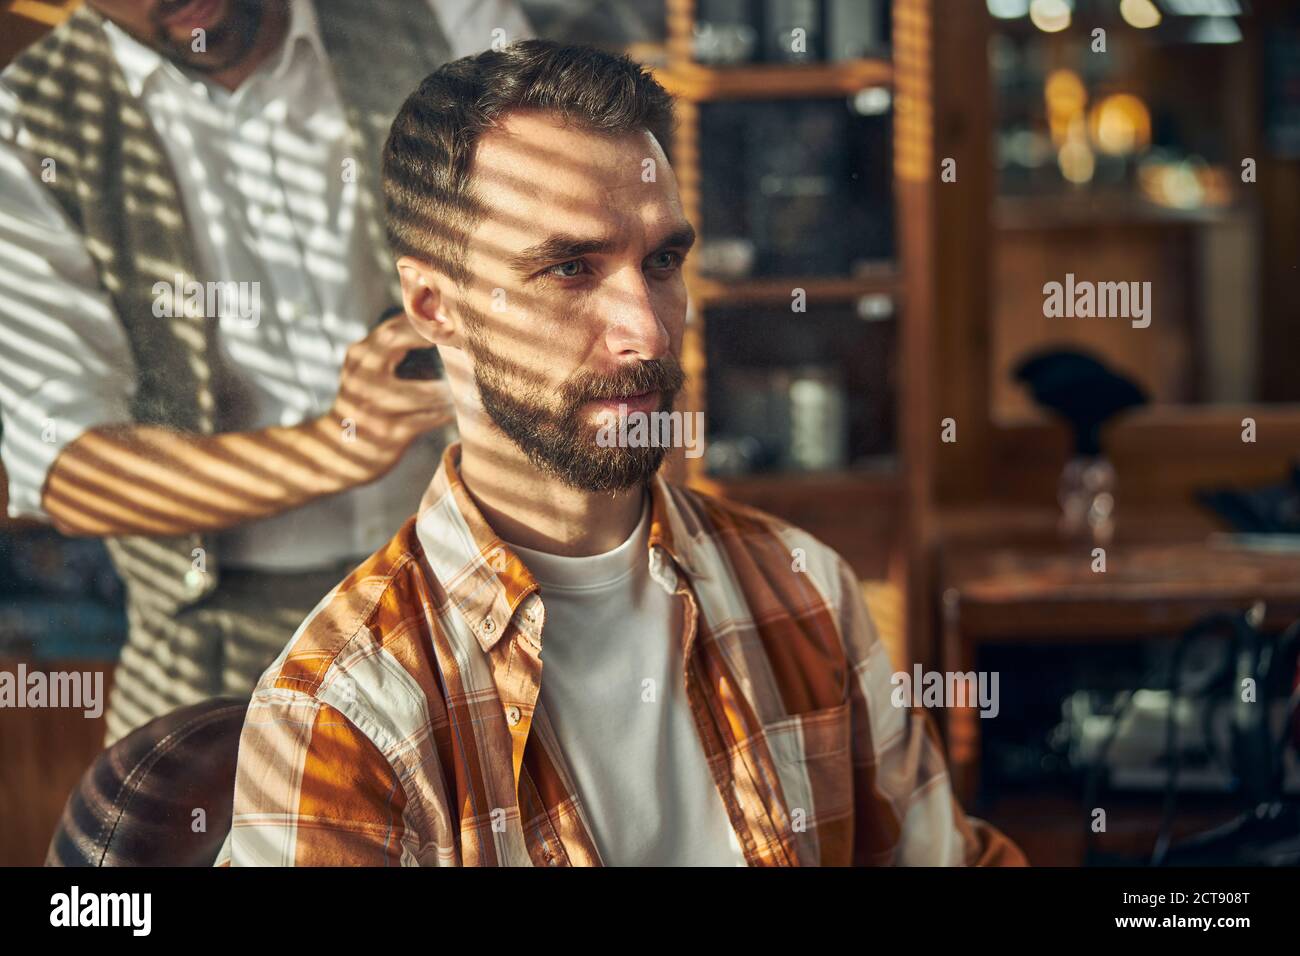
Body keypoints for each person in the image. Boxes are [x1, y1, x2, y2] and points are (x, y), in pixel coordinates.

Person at [221, 40, 1029, 867]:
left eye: (663, 262)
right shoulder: (346, 712)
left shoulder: (805, 591)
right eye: (571, 268)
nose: (646, 329)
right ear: (436, 304)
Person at [0, 0, 532, 744]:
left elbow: (569, 233)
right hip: (217, 659)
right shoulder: (30, 125)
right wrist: (338, 444)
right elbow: (74, 468)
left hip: (484, 591)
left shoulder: (443, 17)